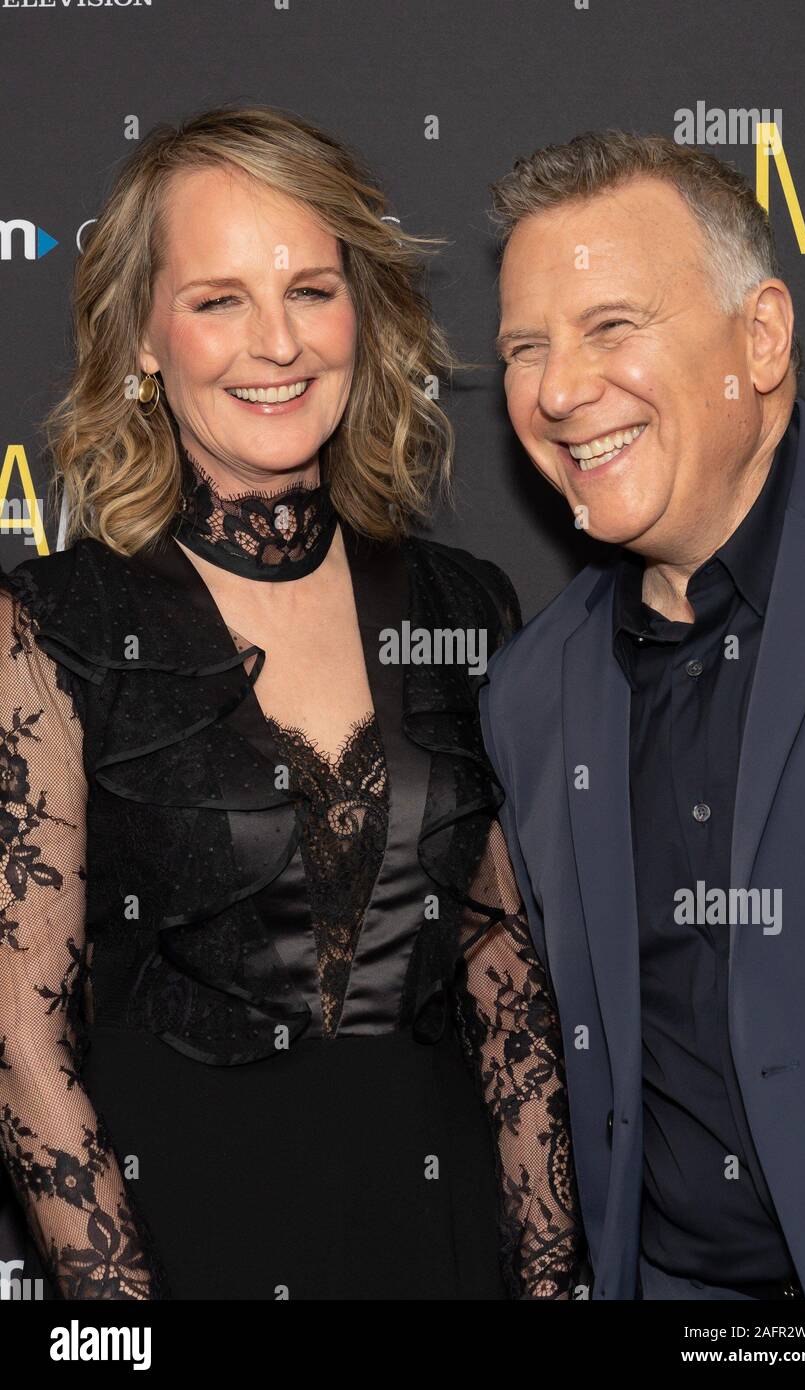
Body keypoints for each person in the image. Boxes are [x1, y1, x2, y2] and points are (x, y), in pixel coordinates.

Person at [0, 104, 587, 1300]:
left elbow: (504, 981)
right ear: (145, 336)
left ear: (359, 313)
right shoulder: (55, 627)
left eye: (309, 291)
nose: (275, 343)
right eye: (219, 299)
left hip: (440, 1238)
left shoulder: (462, 604)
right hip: (183, 1241)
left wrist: (545, 1275)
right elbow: (20, 1039)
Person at [480, 129, 805, 1301]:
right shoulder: (529, 693)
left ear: (760, 337)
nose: (557, 391)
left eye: (610, 326)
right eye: (525, 348)